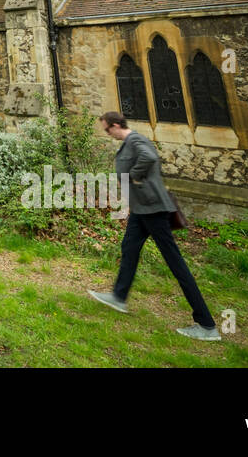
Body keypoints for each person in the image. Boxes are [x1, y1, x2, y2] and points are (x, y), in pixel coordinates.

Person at [87, 111, 221, 341]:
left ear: (116, 125)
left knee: (176, 263)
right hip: (141, 210)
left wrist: (133, 176)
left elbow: (149, 157)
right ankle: (119, 296)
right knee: (129, 247)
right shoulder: (130, 141)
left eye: (107, 129)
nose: (107, 133)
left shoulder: (135, 139)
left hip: (153, 210)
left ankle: (207, 325)